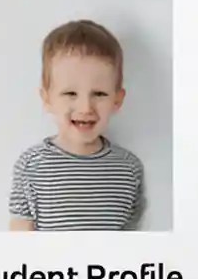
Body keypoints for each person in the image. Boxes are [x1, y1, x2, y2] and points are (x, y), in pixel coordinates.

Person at [8, 19, 145, 231]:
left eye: (99, 94)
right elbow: (18, 242)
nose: (85, 107)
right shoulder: (30, 166)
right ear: (47, 99)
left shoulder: (129, 169)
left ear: (117, 100)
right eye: (70, 93)